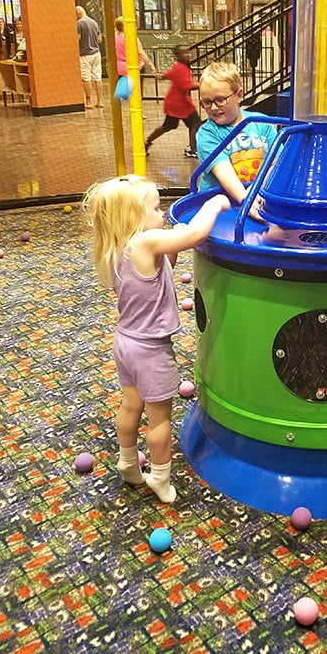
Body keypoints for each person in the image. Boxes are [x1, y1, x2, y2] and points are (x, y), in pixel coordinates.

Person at [82, 174, 229, 503]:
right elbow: (196, 234)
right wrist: (214, 204)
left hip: (125, 341)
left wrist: (171, 239)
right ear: (135, 218)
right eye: (155, 208)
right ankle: (160, 477)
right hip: (150, 349)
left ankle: (127, 461)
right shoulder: (145, 243)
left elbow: (166, 262)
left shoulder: (119, 246)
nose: (161, 213)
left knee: (131, 404)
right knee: (160, 417)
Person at [195, 61, 277, 212]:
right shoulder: (207, 134)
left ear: (239, 95)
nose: (213, 107)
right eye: (206, 102)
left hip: (258, 196)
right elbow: (224, 172)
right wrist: (247, 201)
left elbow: (277, 164)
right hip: (221, 206)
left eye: (220, 100)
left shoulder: (263, 123)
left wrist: (259, 189)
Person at [145, 45, 202, 158]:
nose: (188, 55)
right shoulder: (180, 68)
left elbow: (168, 74)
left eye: (188, 52)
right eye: (184, 53)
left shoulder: (179, 67)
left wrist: (161, 76)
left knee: (190, 124)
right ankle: (192, 148)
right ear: (177, 56)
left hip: (179, 103)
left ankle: (147, 142)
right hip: (178, 104)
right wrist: (202, 85)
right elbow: (186, 85)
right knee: (193, 123)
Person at [76, 5, 103, 109]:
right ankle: (100, 101)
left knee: (86, 78)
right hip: (96, 53)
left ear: (78, 13)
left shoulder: (79, 23)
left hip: (84, 54)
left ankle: (88, 101)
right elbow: (99, 39)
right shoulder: (94, 22)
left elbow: (77, 38)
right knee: (97, 77)